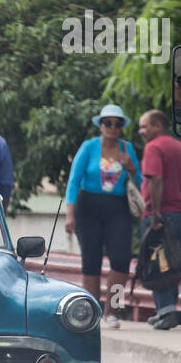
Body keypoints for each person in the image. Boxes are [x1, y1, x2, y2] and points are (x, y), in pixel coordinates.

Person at [64, 104, 142, 328]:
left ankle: (112, 311)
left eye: (117, 124)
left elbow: (138, 184)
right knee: (91, 260)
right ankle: (92, 311)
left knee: (121, 260)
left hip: (117, 207)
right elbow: (74, 181)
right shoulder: (89, 147)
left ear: (121, 128)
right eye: (107, 122)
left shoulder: (127, 149)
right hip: (88, 206)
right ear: (100, 125)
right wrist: (70, 214)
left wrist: (132, 170)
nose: (112, 127)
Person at [137, 109, 181, 330]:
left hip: (159, 216)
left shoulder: (154, 147)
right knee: (172, 261)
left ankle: (167, 312)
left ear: (158, 125)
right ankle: (164, 310)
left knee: (158, 264)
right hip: (179, 215)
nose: (141, 131)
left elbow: (156, 180)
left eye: (144, 126)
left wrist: (156, 214)